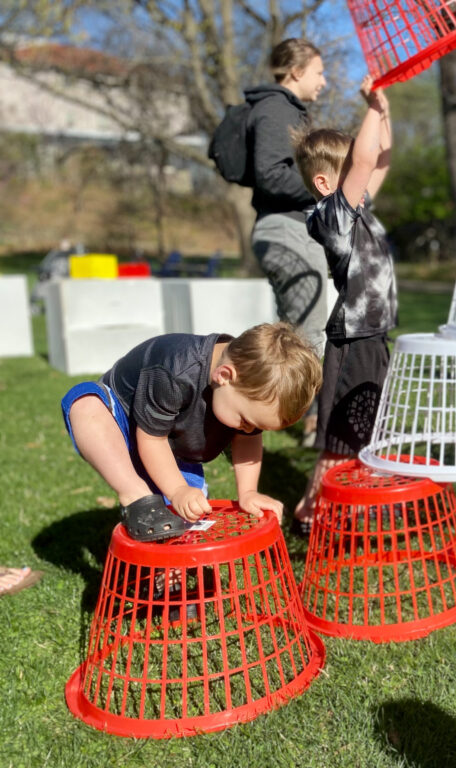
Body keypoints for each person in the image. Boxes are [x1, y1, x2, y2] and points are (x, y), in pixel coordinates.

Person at [60, 323, 322, 541]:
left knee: (186, 518)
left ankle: (170, 579)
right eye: (245, 420)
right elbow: (151, 438)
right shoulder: (174, 370)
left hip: (173, 443)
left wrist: (248, 492)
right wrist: (177, 490)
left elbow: (248, 440)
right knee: (84, 404)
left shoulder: (244, 385)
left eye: (258, 427)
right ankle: (137, 497)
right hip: (121, 424)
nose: (249, 430)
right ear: (224, 375)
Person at [290, 75, 396, 534]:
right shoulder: (332, 217)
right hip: (352, 339)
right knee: (340, 440)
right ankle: (311, 513)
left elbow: (380, 160)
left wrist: (383, 108)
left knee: (363, 431)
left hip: (370, 336)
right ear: (324, 181)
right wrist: (371, 107)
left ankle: (345, 507)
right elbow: (367, 156)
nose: (363, 176)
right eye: (350, 170)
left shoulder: (353, 212)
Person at [246, 38, 330, 443]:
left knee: (295, 332)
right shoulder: (276, 109)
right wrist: (324, 189)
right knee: (309, 333)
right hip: (285, 230)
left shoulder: (284, 109)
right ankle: (313, 422)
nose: (324, 81)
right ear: (296, 72)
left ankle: (285, 412)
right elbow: (271, 176)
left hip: (286, 229)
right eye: (318, 71)